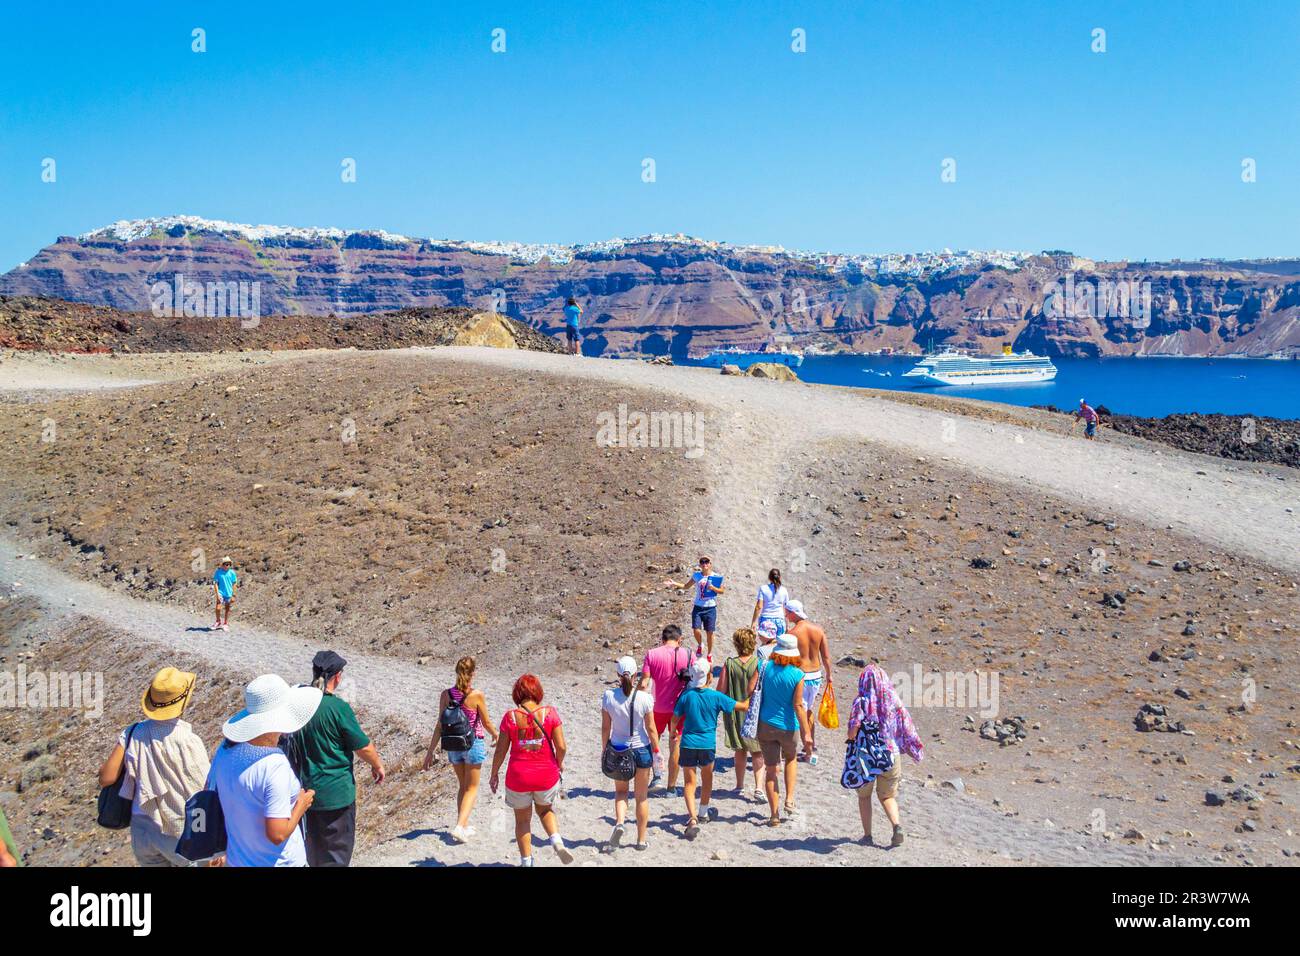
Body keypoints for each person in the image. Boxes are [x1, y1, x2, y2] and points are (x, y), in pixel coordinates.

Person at [96, 667, 210, 867]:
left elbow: (106, 778)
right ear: (184, 702)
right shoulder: (188, 740)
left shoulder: (132, 733)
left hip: (142, 829)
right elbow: (204, 792)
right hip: (178, 829)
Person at [208, 674, 321, 867]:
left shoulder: (225, 751)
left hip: (239, 860)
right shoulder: (274, 765)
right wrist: (300, 806)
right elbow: (277, 834)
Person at [293, 651, 386, 867]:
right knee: (336, 857)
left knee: (312, 855)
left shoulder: (298, 704)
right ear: (337, 676)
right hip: (336, 795)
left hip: (304, 795)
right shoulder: (337, 708)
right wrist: (377, 765)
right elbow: (363, 746)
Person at [489, 674, 574, 867]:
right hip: (545, 774)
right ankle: (556, 840)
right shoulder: (550, 713)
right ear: (537, 692)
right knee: (545, 810)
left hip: (518, 776)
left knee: (522, 820)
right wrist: (559, 763)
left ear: (517, 693)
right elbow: (561, 746)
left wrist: (494, 773)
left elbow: (501, 750)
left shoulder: (510, 716)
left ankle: (527, 861)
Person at [423, 656, 499, 843]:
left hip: (453, 745)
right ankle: (459, 826)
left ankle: (463, 825)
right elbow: (486, 722)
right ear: (473, 673)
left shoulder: (446, 694)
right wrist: (496, 735)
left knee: (463, 786)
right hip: (473, 743)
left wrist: (430, 751)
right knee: (472, 788)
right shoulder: (476, 695)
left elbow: (439, 725)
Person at [847, 663, 924, 847]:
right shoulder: (894, 701)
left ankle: (867, 836)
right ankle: (896, 826)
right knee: (887, 796)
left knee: (864, 796)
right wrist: (913, 748)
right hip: (891, 754)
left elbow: (852, 732)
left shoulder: (861, 702)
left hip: (867, 757)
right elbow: (907, 726)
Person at [673, 656, 749, 839]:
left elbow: (674, 719)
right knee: (707, 781)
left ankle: (691, 818)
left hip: (688, 743)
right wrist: (753, 691)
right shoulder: (716, 697)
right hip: (707, 744)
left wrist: (674, 733)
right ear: (709, 677)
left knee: (689, 783)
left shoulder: (686, 696)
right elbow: (743, 706)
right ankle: (703, 812)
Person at [748, 632, 812, 827]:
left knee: (770, 769)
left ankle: (774, 815)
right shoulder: (798, 674)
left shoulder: (763, 666)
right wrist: (806, 732)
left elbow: (750, 690)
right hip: (788, 725)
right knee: (791, 758)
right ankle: (789, 799)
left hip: (765, 723)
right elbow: (798, 706)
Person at [600, 656, 659, 852]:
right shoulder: (644, 698)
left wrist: (604, 748)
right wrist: (657, 751)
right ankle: (641, 840)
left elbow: (605, 728)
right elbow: (651, 729)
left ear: (618, 675)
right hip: (640, 749)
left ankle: (619, 823)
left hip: (618, 748)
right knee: (641, 797)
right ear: (636, 675)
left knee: (621, 792)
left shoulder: (608, 697)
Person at [639, 624, 693, 794]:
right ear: (680, 639)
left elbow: (644, 683)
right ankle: (671, 788)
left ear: (662, 640)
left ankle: (654, 778)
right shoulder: (688, 654)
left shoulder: (652, 654)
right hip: (679, 708)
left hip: (657, 708)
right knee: (675, 745)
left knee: (651, 743)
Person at [717, 626, 766, 802]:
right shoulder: (759, 664)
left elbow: (720, 691)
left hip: (735, 713)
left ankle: (739, 785)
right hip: (755, 713)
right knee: (758, 752)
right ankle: (759, 787)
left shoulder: (729, 664)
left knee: (740, 750)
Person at [785, 600, 832, 765]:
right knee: (808, 709)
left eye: (787, 612)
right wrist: (829, 675)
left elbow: (787, 658)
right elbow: (825, 657)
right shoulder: (818, 630)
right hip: (816, 675)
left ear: (793, 613)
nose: (785, 615)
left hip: (801, 676)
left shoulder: (793, 633)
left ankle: (808, 748)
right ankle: (810, 742)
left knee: (800, 712)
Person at [664, 556, 725, 663]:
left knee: (710, 632)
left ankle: (709, 654)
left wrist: (713, 588)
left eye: (707, 561)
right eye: (702, 562)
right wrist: (674, 583)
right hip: (698, 607)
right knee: (696, 629)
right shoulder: (697, 576)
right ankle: (700, 644)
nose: (704, 563)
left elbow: (722, 591)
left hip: (711, 608)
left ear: (710, 564)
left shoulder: (716, 576)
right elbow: (686, 586)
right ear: (700, 564)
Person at [751, 568, 790, 649]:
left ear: (769, 577)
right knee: (779, 647)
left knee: (766, 646)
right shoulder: (784, 590)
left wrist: (754, 622)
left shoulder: (763, 588)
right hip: (780, 620)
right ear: (779, 577)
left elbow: (759, 606)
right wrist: (787, 626)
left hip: (766, 621)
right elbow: (786, 609)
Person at [212, 556, 238, 630]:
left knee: (227, 608)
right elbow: (215, 583)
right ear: (222, 564)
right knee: (218, 608)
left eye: (229, 564)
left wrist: (234, 595)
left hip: (229, 594)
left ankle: (225, 623)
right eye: (226, 564)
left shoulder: (232, 573)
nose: (227, 566)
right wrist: (217, 594)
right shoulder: (218, 572)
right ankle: (218, 621)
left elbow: (234, 584)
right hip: (221, 593)